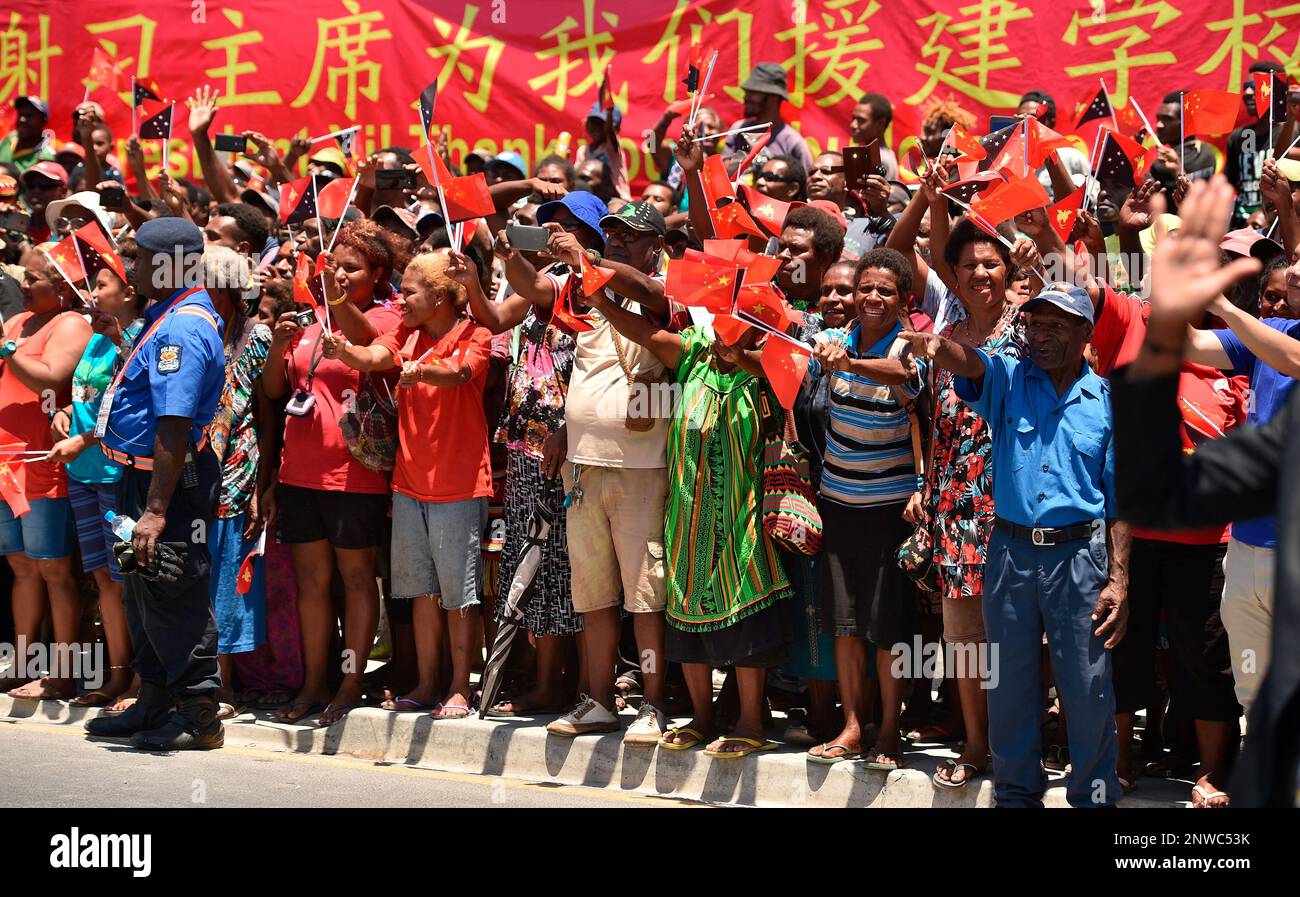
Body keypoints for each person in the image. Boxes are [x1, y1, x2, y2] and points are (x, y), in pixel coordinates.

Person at [901, 282, 1129, 808]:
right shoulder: (1008, 377)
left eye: (1054, 326)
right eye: (1032, 325)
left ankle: (1093, 795)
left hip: (1079, 558)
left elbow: (1120, 505)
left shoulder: (1109, 403)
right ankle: (1016, 794)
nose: (1039, 336)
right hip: (1010, 553)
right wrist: (937, 347)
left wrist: (1119, 578)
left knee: (1088, 685)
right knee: (1009, 684)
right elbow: (972, 363)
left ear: (1083, 333)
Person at [1113, 176, 1298, 808]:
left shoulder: (1275, 342)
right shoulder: (1258, 346)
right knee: (1253, 690)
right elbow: (1189, 344)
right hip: (1246, 547)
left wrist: (1225, 308)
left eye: (1296, 276)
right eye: (1284, 280)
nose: (1288, 285)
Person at [591, 295, 793, 757]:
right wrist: (601, 299)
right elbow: (642, 332)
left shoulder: (770, 362)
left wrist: (744, 356)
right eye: (723, 317)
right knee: (686, 614)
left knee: (747, 613)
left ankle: (749, 720)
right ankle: (702, 716)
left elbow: (791, 382)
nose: (727, 325)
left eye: (740, 319)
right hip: (688, 512)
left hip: (744, 511)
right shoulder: (693, 355)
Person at [324, 250, 493, 719]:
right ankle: (426, 682)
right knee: (422, 591)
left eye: (411, 291)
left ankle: (460, 686)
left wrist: (422, 371)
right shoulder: (406, 333)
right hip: (409, 484)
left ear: (440, 296)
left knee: (461, 596)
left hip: (459, 486)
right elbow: (374, 355)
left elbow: (461, 374)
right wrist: (344, 351)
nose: (400, 300)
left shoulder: (476, 332)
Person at [83, 218, 228, 751]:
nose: (132, 268)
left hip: (166, 485)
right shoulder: (161, 317)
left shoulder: (182, 327)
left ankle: (197, 715)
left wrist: (157, 510)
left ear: (170, 264)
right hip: (139, 478)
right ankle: (155, 701)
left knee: (174, 589)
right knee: (143, 590)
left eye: (140, 258)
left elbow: (173, 421)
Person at [538, 199, 672, 744]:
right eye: (611, 233)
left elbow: (647, 294)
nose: (615, 241)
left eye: (629, 236)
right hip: (584, 468)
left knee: (646, 595)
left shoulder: (667, 291)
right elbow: (530, 292)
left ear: (655, 248)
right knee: (593, 593)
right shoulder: (589, 295)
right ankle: (599, 700)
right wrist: (507, 255)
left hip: (641, 467)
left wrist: (586, 264)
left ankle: (653, 703)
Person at [261, 219, 403, 725]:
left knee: (358, 580)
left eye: (352, 268)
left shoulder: (388, 317)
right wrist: (281, 345)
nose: (340, 275)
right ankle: (312, 682)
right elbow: (277, 392)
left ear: (377, 273)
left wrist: (337, 302)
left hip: (355, 475)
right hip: (299, 472)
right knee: (311, 584)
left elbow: (375, 354)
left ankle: (349, 683)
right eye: (334, 266)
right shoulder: (311, 318)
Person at [801, 249, 926, 771]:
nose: (871, 298)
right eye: (864, 289)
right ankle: (852, 727)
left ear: (904, 300)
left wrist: (847, 364)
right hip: (837, 504)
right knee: (845, 624)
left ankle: (890, 732)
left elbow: (903, 377)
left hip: (888, 511)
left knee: (887, 628)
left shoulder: (907, 346)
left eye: (885, 291)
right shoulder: (831, 341)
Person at [47, 246, 144, 709]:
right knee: (104, 577)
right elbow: (89, 398)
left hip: (114, 476)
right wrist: (66, 412)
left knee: (129, 577)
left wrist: (81, 441)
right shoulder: (96, 336)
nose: (92, 293)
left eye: (101, 285)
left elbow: (127, 414)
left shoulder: (138, 338)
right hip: (82, 475)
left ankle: (143, 679)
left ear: (129, 291)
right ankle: (117, 675)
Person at [1, 248, 93, 699]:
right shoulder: (19, 323)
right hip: (5, 464)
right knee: (20, 567)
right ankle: (22, 662)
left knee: (53, 568)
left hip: (42, 463)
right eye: (24, 276)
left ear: (61, 288)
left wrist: (3, 347)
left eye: (34, 279)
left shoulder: (71, 323)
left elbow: (51, 378)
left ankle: (60, 672)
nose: (24, 285)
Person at [200, 246, 273, 719]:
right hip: (193, 467)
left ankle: (221, 685)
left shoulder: (256, 335)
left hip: (237, 469)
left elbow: (268, 416)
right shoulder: (194, 330)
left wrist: (264, 485)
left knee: (227, 574)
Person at [725, 63, 814, 173]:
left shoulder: (793, 143)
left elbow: (804, 186)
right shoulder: (739, 130)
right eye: (747, 92)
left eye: (753, 92)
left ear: (773, 97)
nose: (745, 97)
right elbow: (725, 174)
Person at [0, 96, 56, 174]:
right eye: (20, 114)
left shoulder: (46, 156)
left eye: (29, 115)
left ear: (43, 121)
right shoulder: (10, 138)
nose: (22, 119)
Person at [849, 94, 899, 181]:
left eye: (861, 120)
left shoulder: (877, 159)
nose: (853, 125)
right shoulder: (885, 154)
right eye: (853, 118)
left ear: (880, 123)